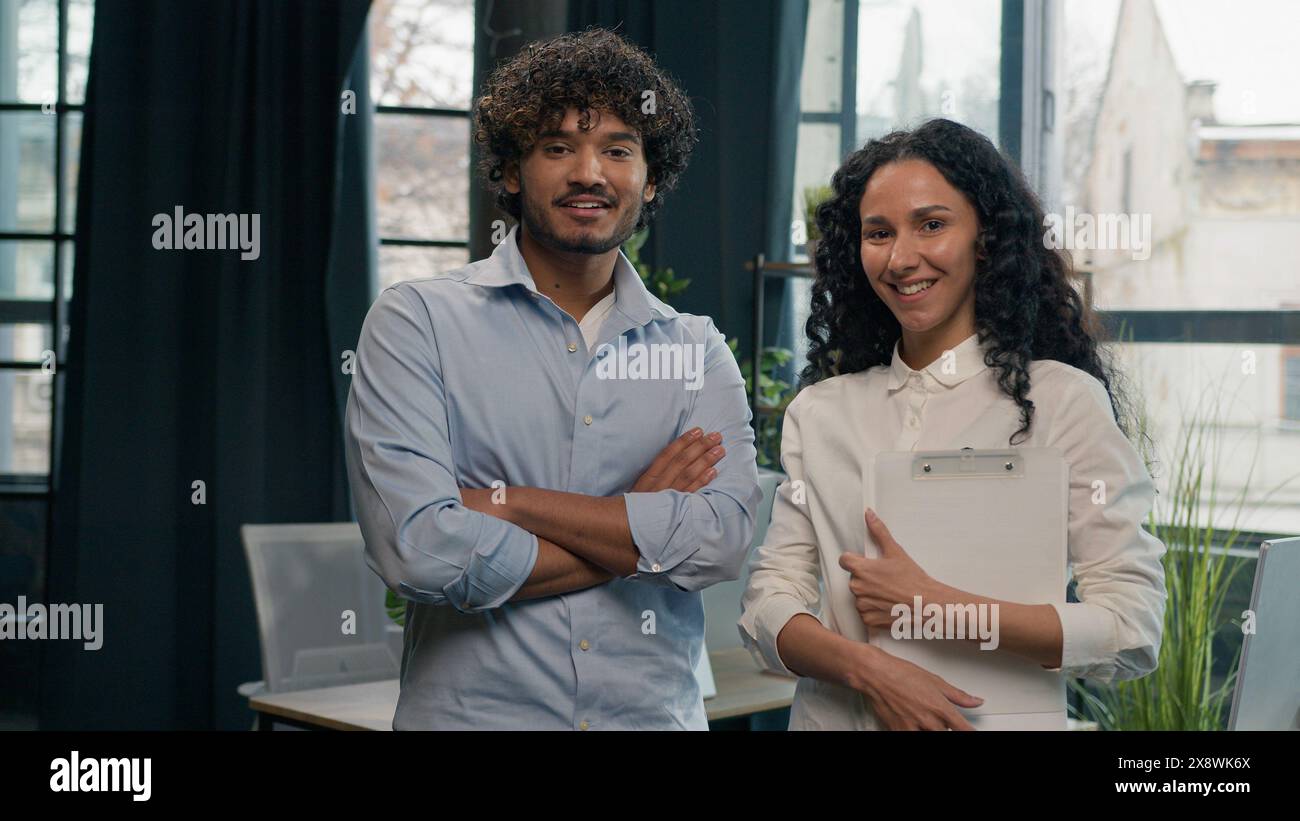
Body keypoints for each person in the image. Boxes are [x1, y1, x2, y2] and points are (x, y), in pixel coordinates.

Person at [345, 29, 761, 730]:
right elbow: (419, 551)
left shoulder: (695, 348)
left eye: (619, 150)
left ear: (651, 178)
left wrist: (508, 502)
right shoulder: (417, 322)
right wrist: (638, 519)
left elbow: (721, 540)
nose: (588, 173)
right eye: (557, 147)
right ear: (512, 171)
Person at [738, 118, 1167, 730]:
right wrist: (869, 670)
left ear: (985, 239)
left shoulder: (1063, 402)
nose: (901, 257)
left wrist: (935, 607)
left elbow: (1131, 628)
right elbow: (768, 603)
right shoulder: (821, 412)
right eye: (878, 232)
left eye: (932, 225)